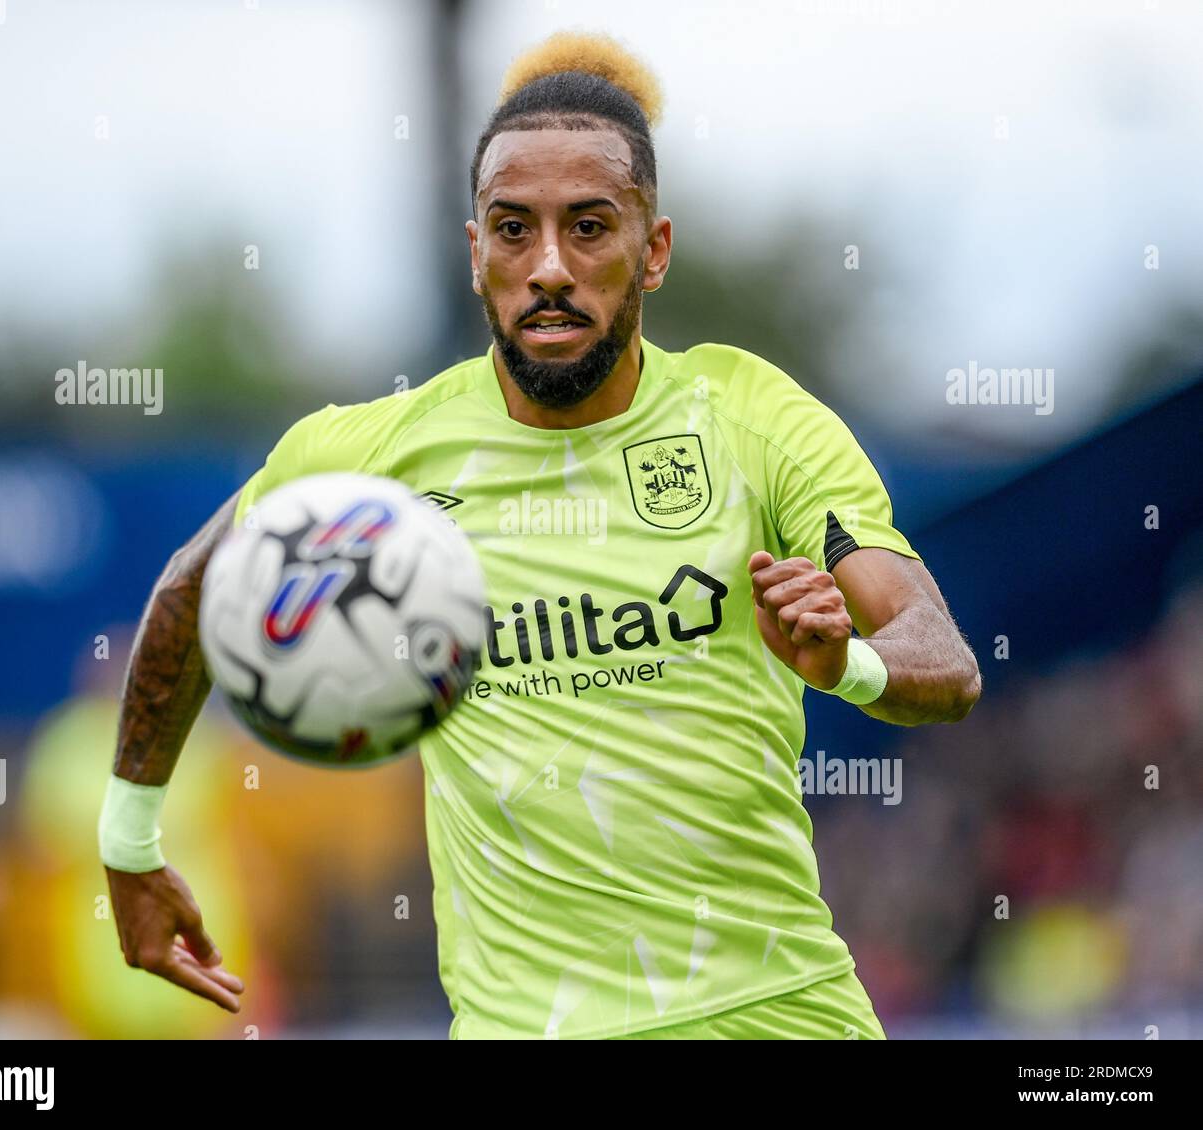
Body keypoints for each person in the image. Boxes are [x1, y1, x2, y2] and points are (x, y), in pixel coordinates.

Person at [101, 30, 981, 1040]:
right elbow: (188, 591)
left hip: (772, 1013)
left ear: (652, 250)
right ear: (475, 252)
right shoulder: (377, 453)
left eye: (590, 227)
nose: (549, 266)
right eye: (514, 229)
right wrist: (129, 845)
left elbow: (945, 662)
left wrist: (850, 664)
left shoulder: (753, 417)